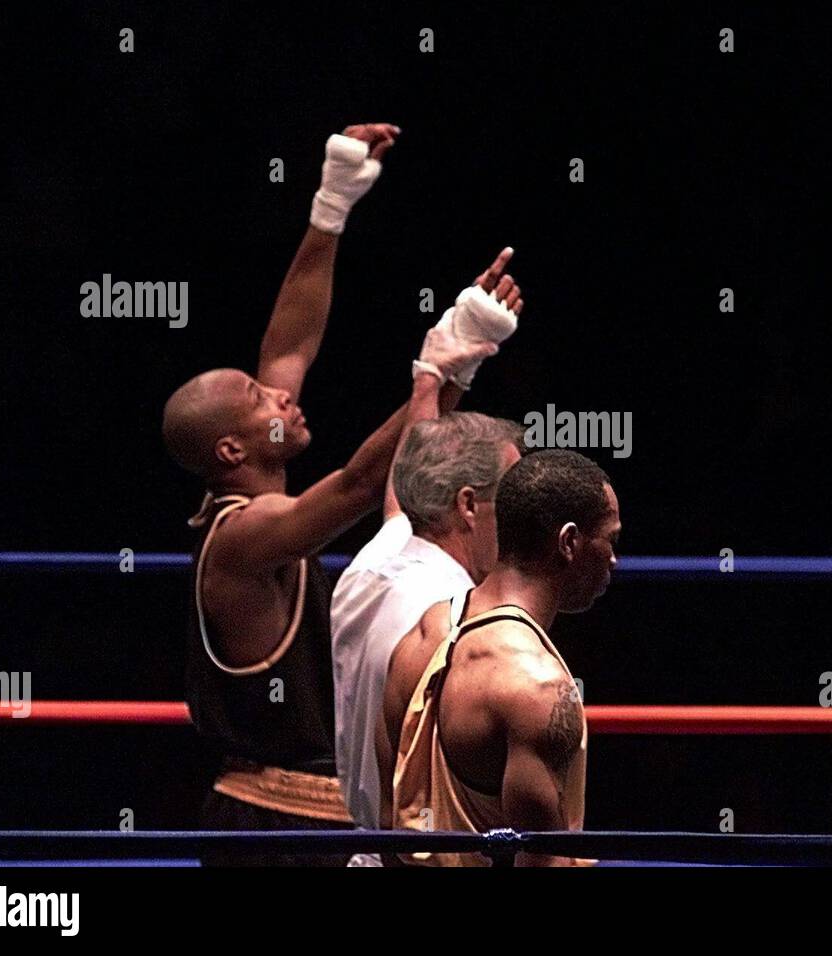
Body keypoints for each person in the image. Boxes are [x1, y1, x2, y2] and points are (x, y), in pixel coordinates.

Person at [160, 122, 502, 862]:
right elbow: (359, 484)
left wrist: (332, 202)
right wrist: (437, 373)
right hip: (277, 818)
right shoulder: (242, 538)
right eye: (260, 400)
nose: (281, 397)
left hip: (316, 814)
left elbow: (289, 344)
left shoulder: (256, 496)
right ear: (231, 450)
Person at [378, 450, 621, 866]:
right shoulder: (536, 686)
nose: (614, 559)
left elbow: (390, 830)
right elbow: (544, 863)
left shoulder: (420, 637)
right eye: (610, 540)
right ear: (569, 542)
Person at [331, 410, 524, 864]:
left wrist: (433, 381)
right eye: (512, 499)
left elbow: (398, 503)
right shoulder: (457, 614)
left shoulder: (368, 565)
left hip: (370, 848)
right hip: (427, 857)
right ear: (468, 505)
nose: (524, 517)